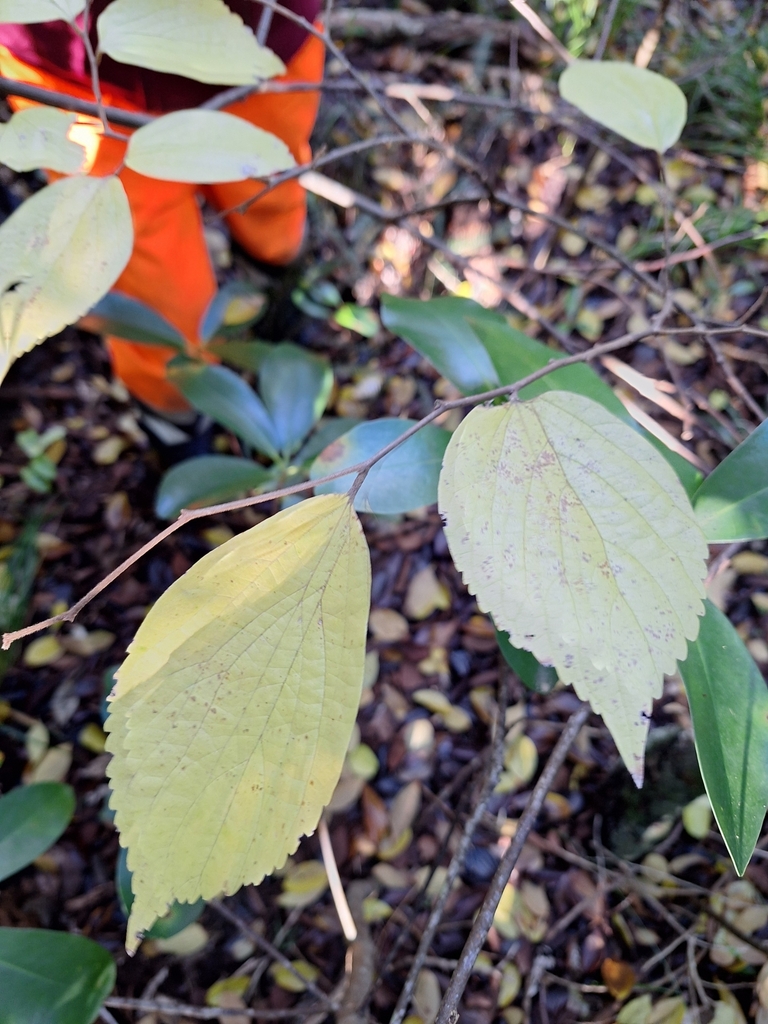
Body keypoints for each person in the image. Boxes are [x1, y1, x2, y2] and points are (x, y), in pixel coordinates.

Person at [0, 1, 323, 416]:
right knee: (159, 309)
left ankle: (281, 298)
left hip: (260, 39)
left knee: (272, 206)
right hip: (72, 74)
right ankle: (180, 420)